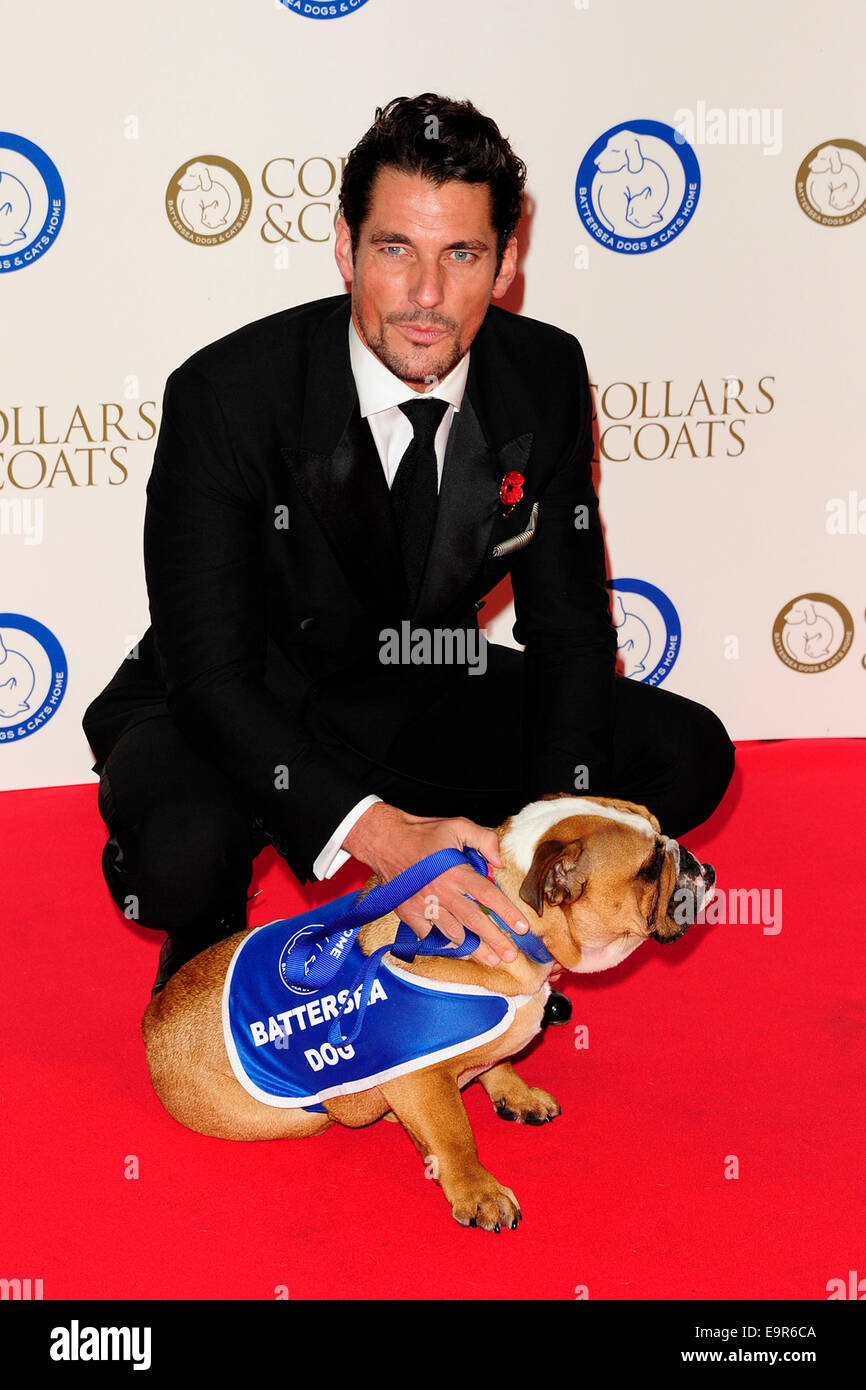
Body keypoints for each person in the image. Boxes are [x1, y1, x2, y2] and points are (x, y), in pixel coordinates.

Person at [82, 93, 735, 996]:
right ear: (347, 248)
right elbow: (211, 677)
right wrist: (386, 837)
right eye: (396, 250)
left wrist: (536, 854)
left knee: (685, 752)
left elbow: (570, 635)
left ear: (506, 264)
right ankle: (208, 930)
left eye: (462, 254)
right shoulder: (227, 396)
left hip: (419, 681)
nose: (427, 296)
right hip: (241, 690)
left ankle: (477, 933)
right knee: (182, 848)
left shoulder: (541, 374)